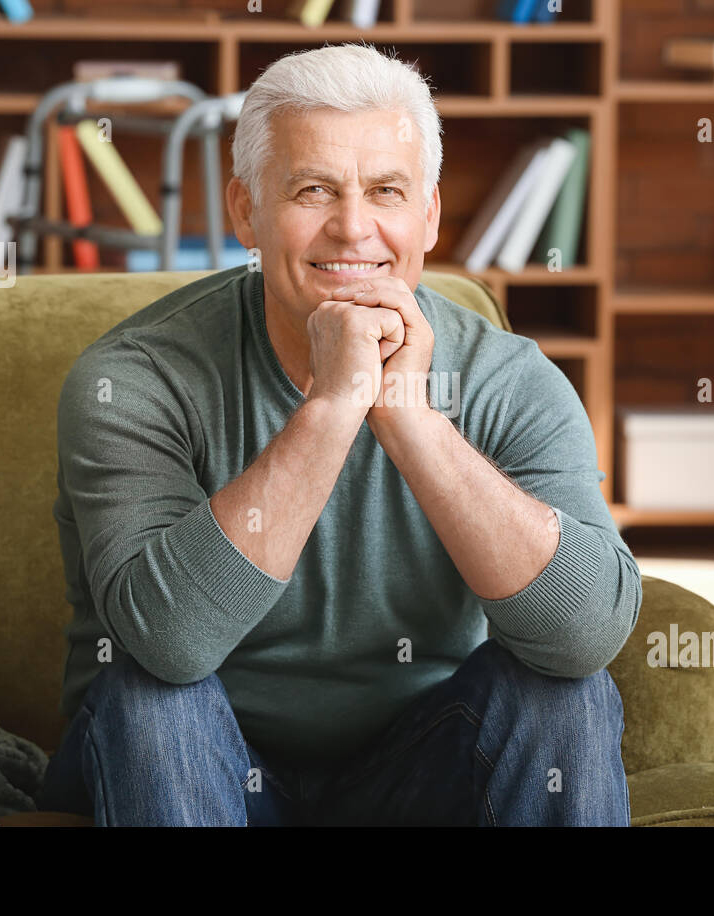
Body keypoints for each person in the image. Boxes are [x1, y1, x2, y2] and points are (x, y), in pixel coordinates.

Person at [34, 41, 643, 826]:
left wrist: (408, 416)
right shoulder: (134, 379)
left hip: (415, 772)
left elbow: (587, 633)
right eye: (313, 189)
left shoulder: (509, 381)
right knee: (150, 696)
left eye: (386, 191)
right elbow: (172, 643)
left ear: (428, 215)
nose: (353, 229)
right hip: (192, 763)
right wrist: (332, 408)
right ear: (246, 209)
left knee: (564, 693)